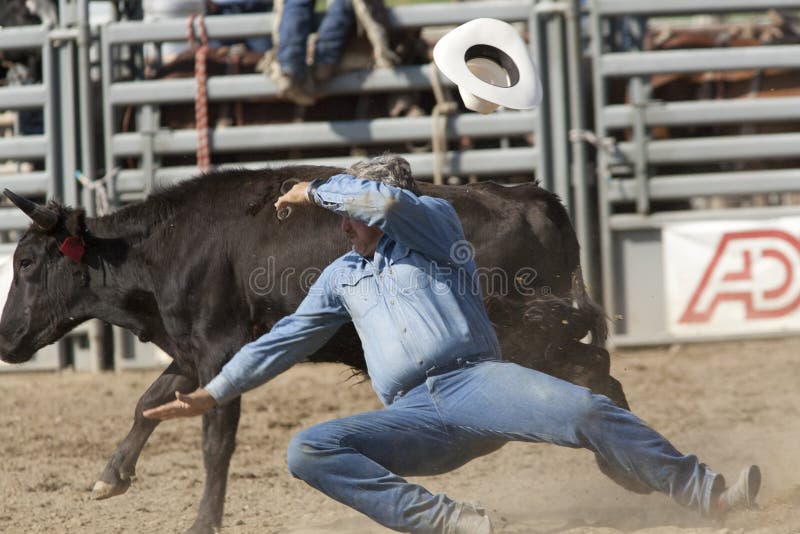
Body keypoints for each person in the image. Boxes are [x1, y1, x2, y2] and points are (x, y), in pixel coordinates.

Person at [144, 155, 761, 533]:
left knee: (588, 410)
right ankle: (449, 522)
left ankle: (706, 494)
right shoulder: (340, 277)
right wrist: (212, 393)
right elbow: (282, 340)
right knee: (309, 450)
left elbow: (382, 201)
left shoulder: (433, 232)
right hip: (412, 415)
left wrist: (315, 188)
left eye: (349, 214)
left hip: (477, 386)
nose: (342, 225)